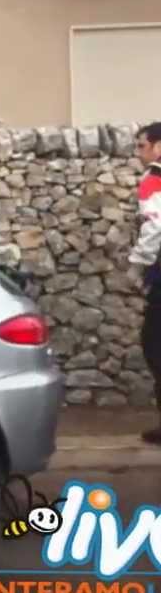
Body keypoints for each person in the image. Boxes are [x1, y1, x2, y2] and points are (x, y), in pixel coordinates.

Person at [127, 122, 161, 445]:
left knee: (154, 345)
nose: (138, 153)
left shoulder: (153, 179)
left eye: (141, 146)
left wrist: (137, 266)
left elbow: (154, 229)